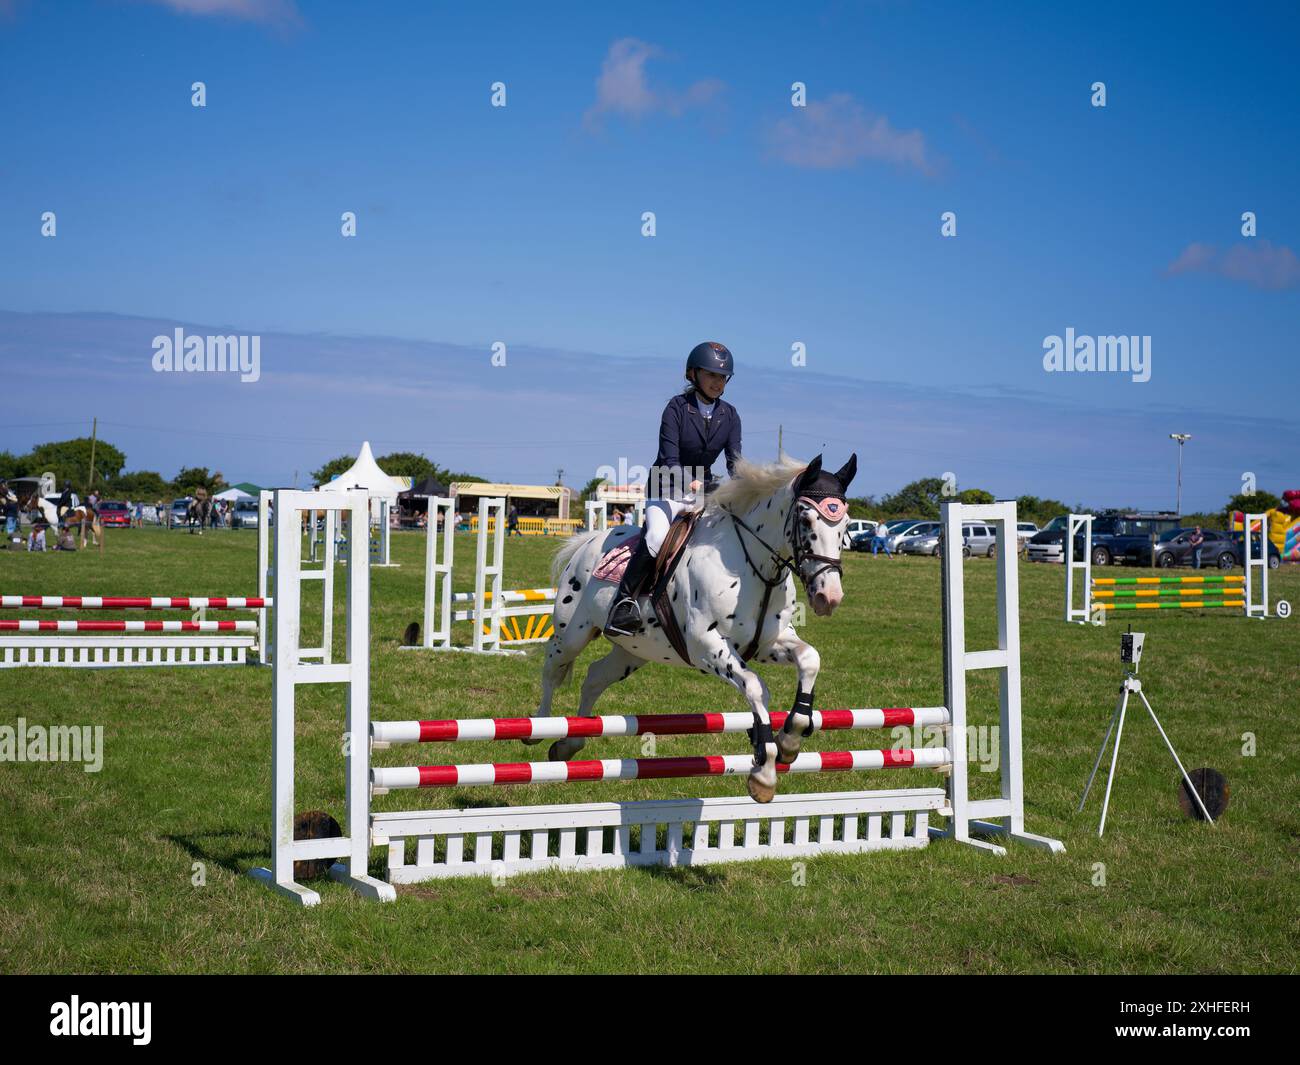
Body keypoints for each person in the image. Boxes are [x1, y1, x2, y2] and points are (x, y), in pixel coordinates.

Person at [604, 341, 742, 637]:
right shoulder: (676, 408)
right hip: (666, 487)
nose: (718, 383)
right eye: (711, 375)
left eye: (722, 378)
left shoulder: (730, 415)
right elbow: (670, 458)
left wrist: (746, 485)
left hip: (704, 491)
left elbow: (735, 462)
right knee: (655, 538)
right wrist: (691, 481)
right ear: (693, 374)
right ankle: (624, 603)